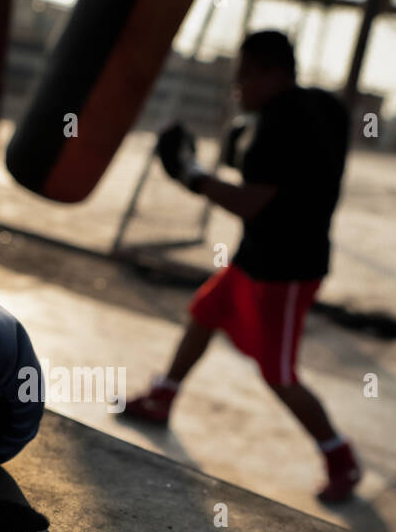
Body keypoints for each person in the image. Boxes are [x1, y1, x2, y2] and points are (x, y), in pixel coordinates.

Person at [123, 30, 360, 503]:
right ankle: (163, 397)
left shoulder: (281, 122)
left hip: (286, 268)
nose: (238, 87)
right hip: (263, 253)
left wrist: (192, 175)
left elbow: (251, 201)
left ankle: (342, 459)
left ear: (272, 73)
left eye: (244, 76)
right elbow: (280, 175)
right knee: (205, 311)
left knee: (278, 373)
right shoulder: (315, 106)